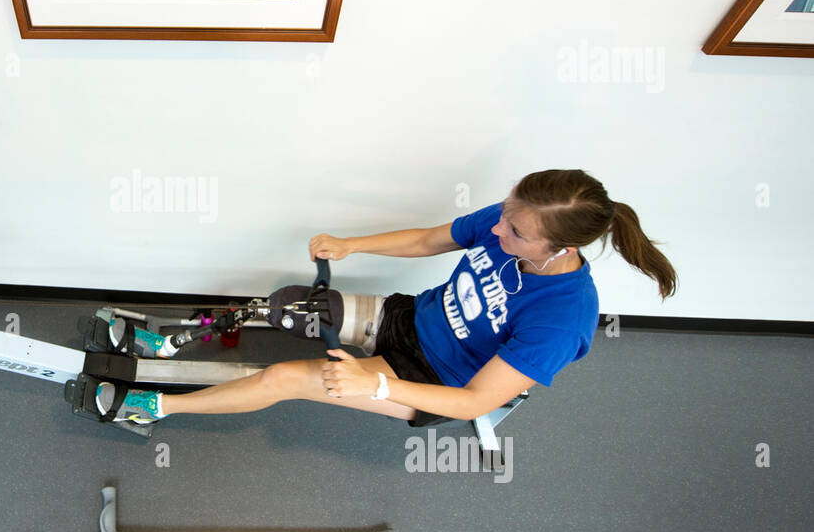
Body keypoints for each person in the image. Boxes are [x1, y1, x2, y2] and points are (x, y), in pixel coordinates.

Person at [96, 169, 678, 427]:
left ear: (558, 247)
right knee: (285, 304)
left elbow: (476, 401)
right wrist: (351, 245)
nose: (497, 233)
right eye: (503, 215)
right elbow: (430, 239)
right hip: (410, 318)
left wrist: (373, 384)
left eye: (515, 234)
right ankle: (164, 341)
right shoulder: (515, 219)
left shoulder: (563, 317)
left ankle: (155, 410)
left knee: (286, 379)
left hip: (432, 377)